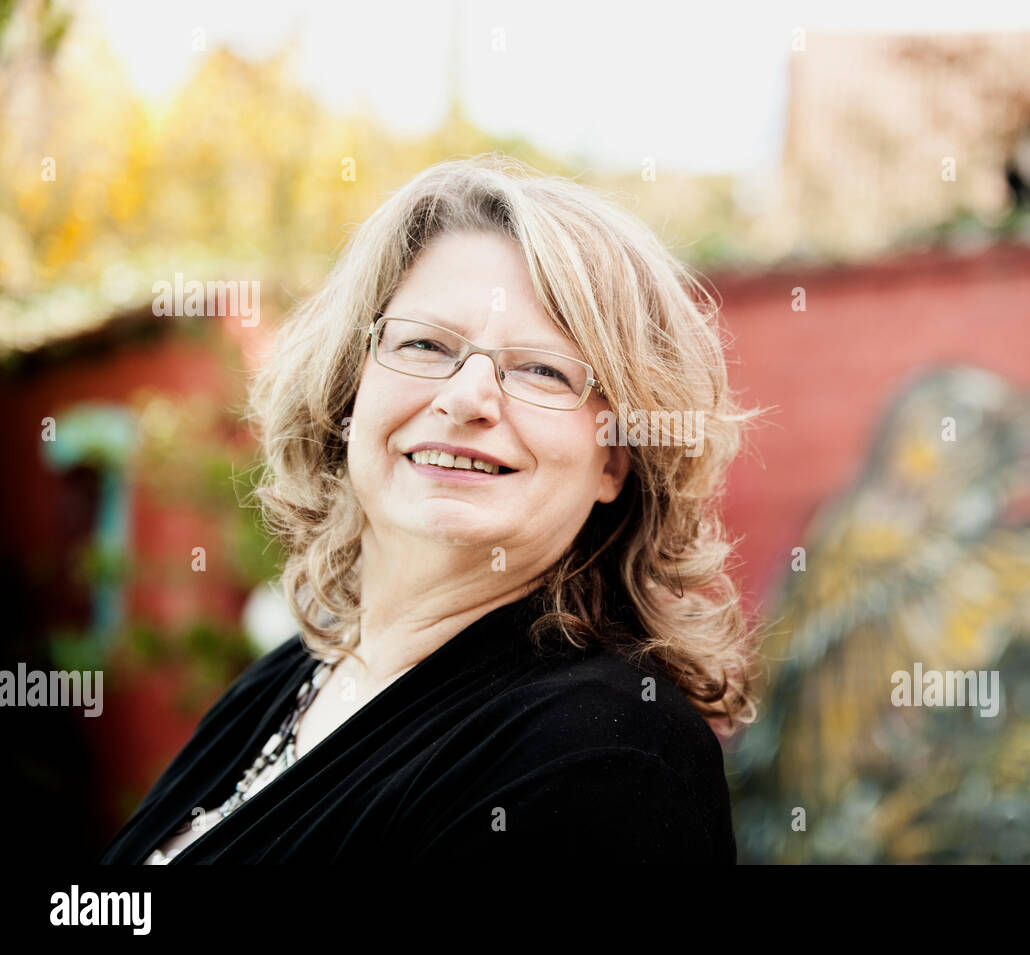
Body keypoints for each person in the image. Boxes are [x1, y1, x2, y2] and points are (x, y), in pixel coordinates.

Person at [97, 153, 763, 864]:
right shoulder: (294, 677)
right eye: (424, 344)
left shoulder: (608, 756)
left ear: (615, 459)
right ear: (349, 396)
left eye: (541, 369)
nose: (466, 398)